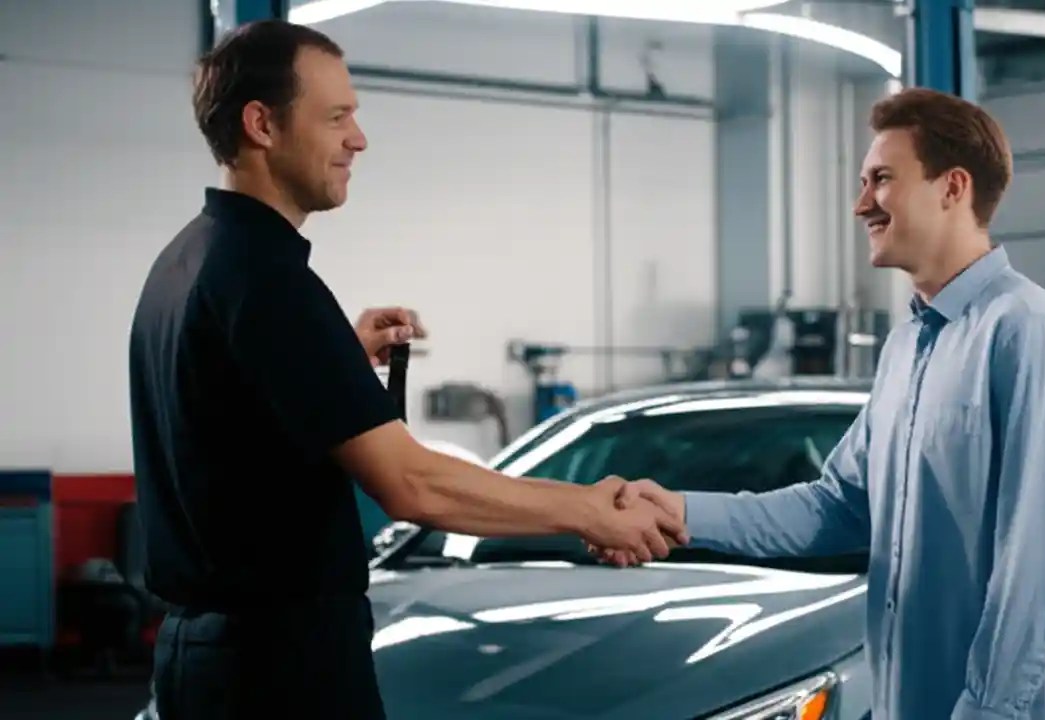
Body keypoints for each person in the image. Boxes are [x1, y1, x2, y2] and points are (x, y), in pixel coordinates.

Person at [127, 19, 685, 720]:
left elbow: (227, 415)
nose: (358, 139)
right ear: (261, 124)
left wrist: (336, 359)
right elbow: (411, 484)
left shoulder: (187, 263)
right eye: (337, 117)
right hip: (276, 669)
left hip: (200, 659)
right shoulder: (267, 281)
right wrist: (585, 512)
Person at [596, 87, 1045, 720]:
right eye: (863, 182)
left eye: (881, 180)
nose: (861, 203)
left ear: (952, 188)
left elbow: (1037, 568)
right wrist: (680, 511)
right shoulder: (905, 350)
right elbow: (837, 508)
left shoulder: (1028, 333)